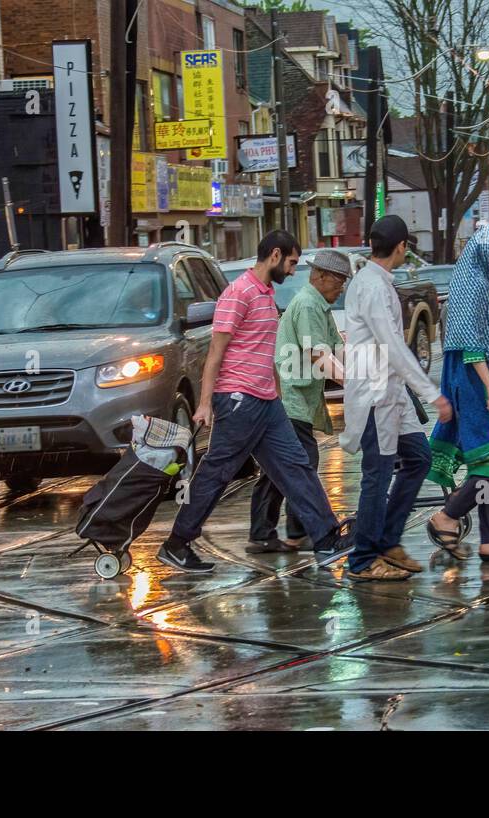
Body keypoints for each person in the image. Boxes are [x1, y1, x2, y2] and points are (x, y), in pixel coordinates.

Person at [156, 231, 356, 573]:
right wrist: (205, 404)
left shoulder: (265, 295)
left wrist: (275, 392)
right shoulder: (238, 294)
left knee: (296, 467)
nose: (294, 271)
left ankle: (326, 540)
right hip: (238, 401)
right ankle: (177, 543)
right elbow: (215, 355)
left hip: (267, 402)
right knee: (216, 473)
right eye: (292, 262)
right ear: (275, 255)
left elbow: (267, 355)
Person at [340, 215, 453, 582]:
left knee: (418, 458)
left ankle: (388, 540)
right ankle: (362, 557)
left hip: (391, 394)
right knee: (377, 474)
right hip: (375, 395)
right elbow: (393, 347)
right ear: (402, 246)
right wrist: (432, 393)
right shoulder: (372, 286)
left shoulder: (379, 282)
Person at [425, 223, 489, 563]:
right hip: (474, 384)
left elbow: (479, 330)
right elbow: (471, 344)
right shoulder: (472, 283)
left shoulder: (478, 280)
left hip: (477, 381)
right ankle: (448, 515)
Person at [248, 249, 350, 553]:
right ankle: (296, 531)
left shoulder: (319, 306)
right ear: (318, 276)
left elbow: (337, 348)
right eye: (338, 280)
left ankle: (264, 533)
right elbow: (317, 352)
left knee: (279, 470)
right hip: (290, 400)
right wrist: (353, 383)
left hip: (298, 400)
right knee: (301, 465)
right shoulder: (307, 304)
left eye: (344, 281)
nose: (341, 287)